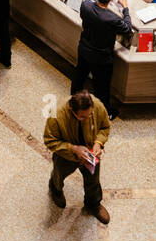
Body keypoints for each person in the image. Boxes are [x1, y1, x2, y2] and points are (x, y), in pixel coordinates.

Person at [44, 89, 111, 224]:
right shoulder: (56, 114)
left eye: (89, 116)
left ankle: (93, 204)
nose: (87, 119)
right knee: (59, 174)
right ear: (71, 110)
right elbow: (50, 140)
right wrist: (73, 148)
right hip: (66, 154)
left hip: (91, 152)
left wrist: (98, 142)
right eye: (82, 117)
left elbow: (104, 127)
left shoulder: (97, 105)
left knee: (93, 180)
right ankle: (55, 189)